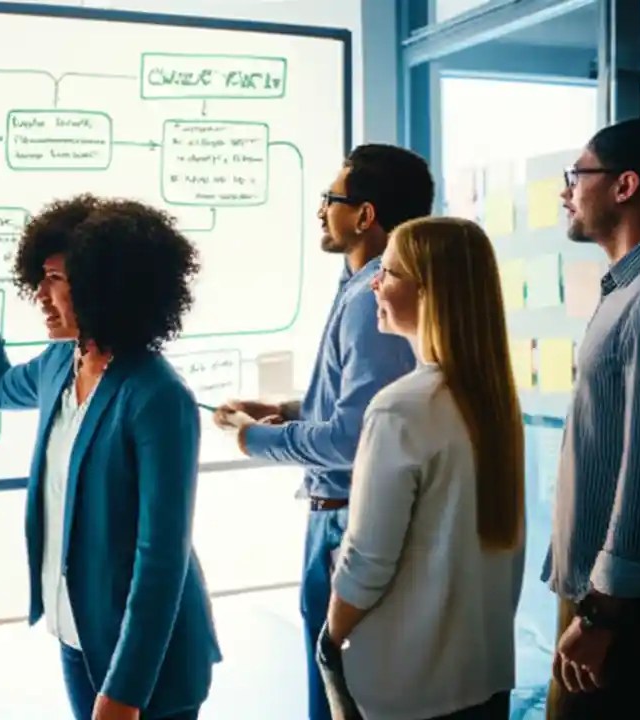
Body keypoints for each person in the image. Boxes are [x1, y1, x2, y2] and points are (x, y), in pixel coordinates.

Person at [0, 194, 221, 720]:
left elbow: (162, 557)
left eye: (56, 281)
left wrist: (126, 692)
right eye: (39, 278)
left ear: (105, 287)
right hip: (77, 633)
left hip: (148, 661)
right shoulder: (56, 366)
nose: (40, 295)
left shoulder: (157, 396)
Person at [212, 143, 431, 720]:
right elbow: (352, 403)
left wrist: (253, 439)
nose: (319, 211)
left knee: (342, 696)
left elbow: (354, 438)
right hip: (335, 516)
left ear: (365, 215)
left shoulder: (371, 299)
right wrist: (286, 408)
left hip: (346, 521)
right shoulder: (358, 288)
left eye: (330, 199)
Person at [314, 216, 525, 720]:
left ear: (428, 291)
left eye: (386, 272)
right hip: (483, 677)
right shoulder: (494, 401)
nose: (374, 286)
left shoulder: (401, 408)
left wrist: (330, 637)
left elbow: (366, 562)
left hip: (404, 688)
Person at [543, 117, 640, 720]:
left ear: (624, 185)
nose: (566, 191)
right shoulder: (633, 287)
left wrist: (603, 612)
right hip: (606, 596)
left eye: (577, 175)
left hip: (626, 605)